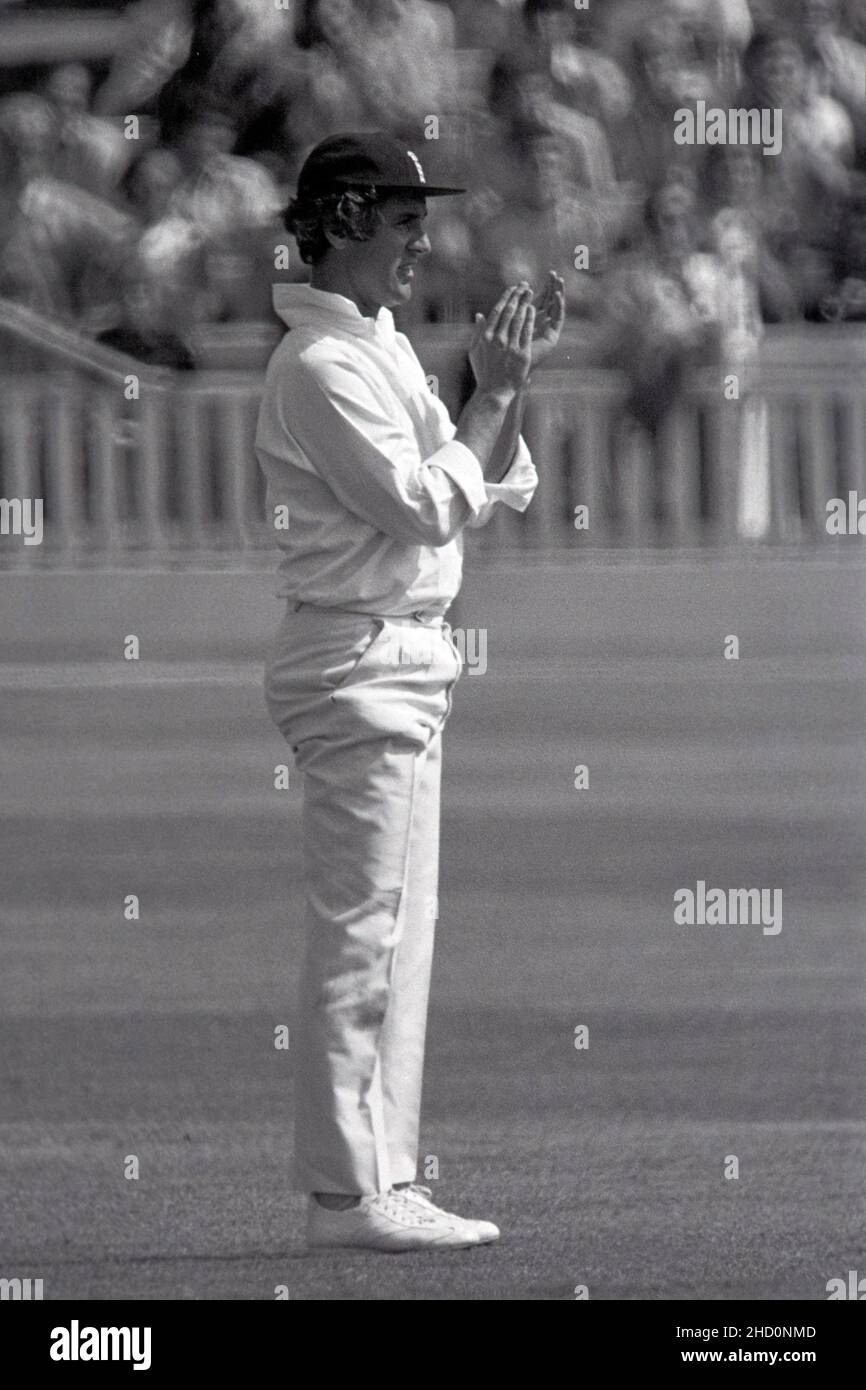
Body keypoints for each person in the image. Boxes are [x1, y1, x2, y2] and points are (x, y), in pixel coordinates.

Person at [255, 132, 564, 1252]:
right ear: (339, 220)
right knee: (363, 936)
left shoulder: (374, 345)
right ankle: (346, 1194)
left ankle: (379, 1176)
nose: (421, 242)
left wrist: (507, 387)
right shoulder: (322, 366)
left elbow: (497, 476)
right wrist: (488, 396)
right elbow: (427, 504)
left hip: (404, 662)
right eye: (400, 220)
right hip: (358, 661)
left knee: (398, 936)